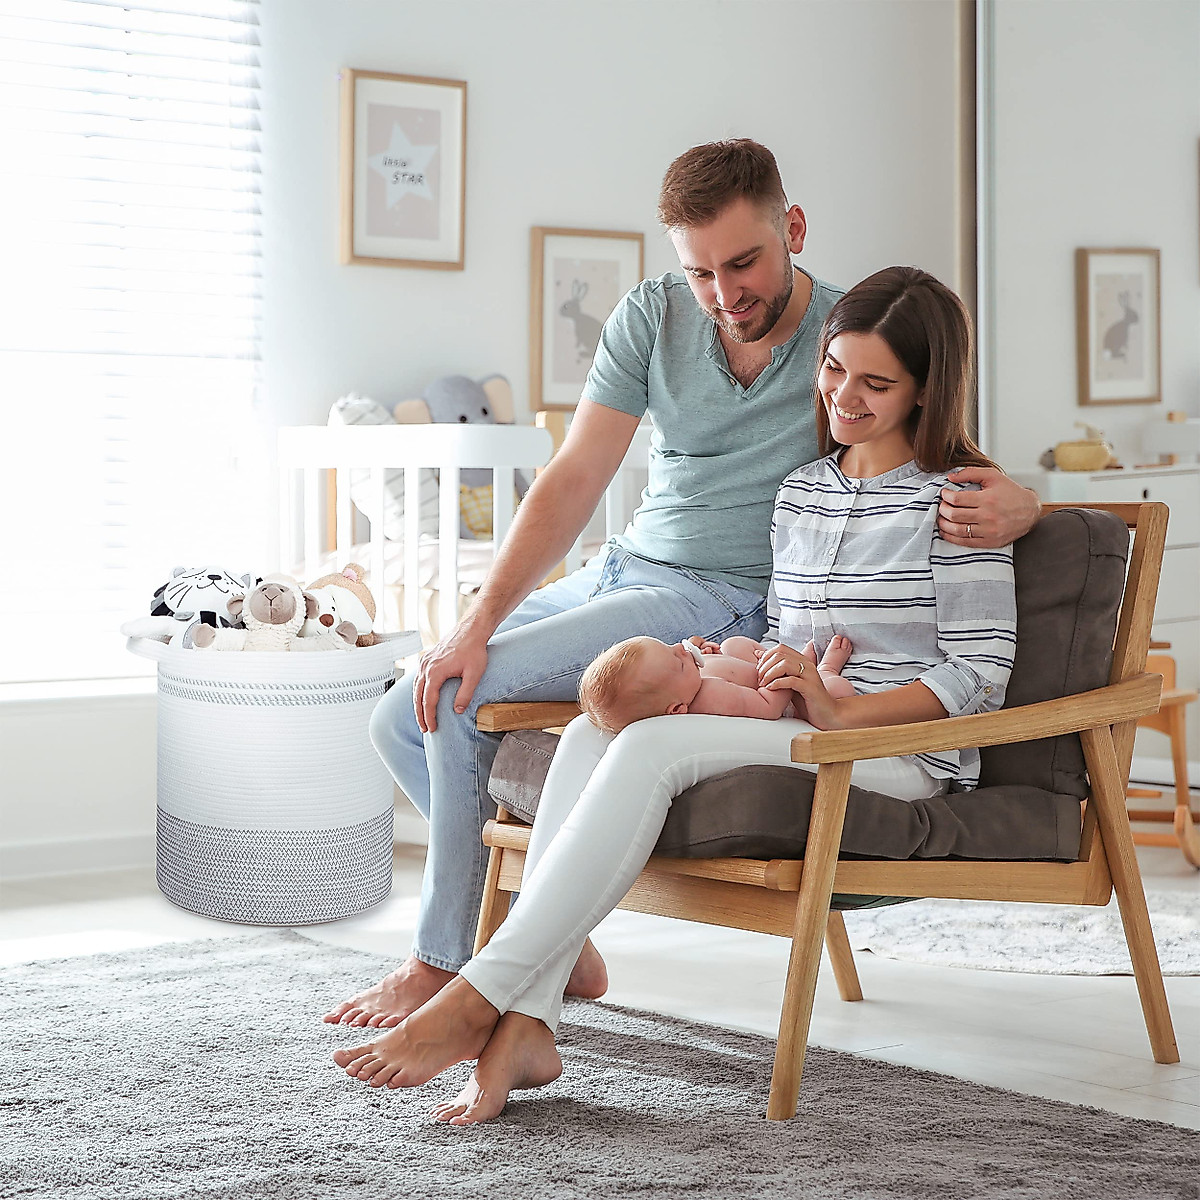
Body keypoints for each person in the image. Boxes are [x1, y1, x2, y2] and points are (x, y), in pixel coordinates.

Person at [324, 138, 1039, 1034]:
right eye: (701, 272)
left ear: (795, 230)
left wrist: (1025, 500)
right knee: (406, 708)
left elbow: (928, 433)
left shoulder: (844, 339)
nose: (725, 294)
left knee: (469, 700)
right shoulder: (652, 315)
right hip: (626, 568)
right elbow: (576, 474)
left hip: (724, 597)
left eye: (744, 263)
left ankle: (444, 961)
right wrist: (475, 624)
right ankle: (548, 919)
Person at [578, 633, 855, 732]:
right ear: (676, 709)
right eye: (678, 662)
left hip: (755, 674)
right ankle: (827, 669)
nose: (680, 647)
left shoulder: (688, 684)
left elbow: (725, 669)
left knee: (733, 644)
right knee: (841, 691)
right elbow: (768, 707)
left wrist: (713, 655)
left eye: (669, 646)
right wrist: (796, 669)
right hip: (794, 703)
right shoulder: (710, 698)